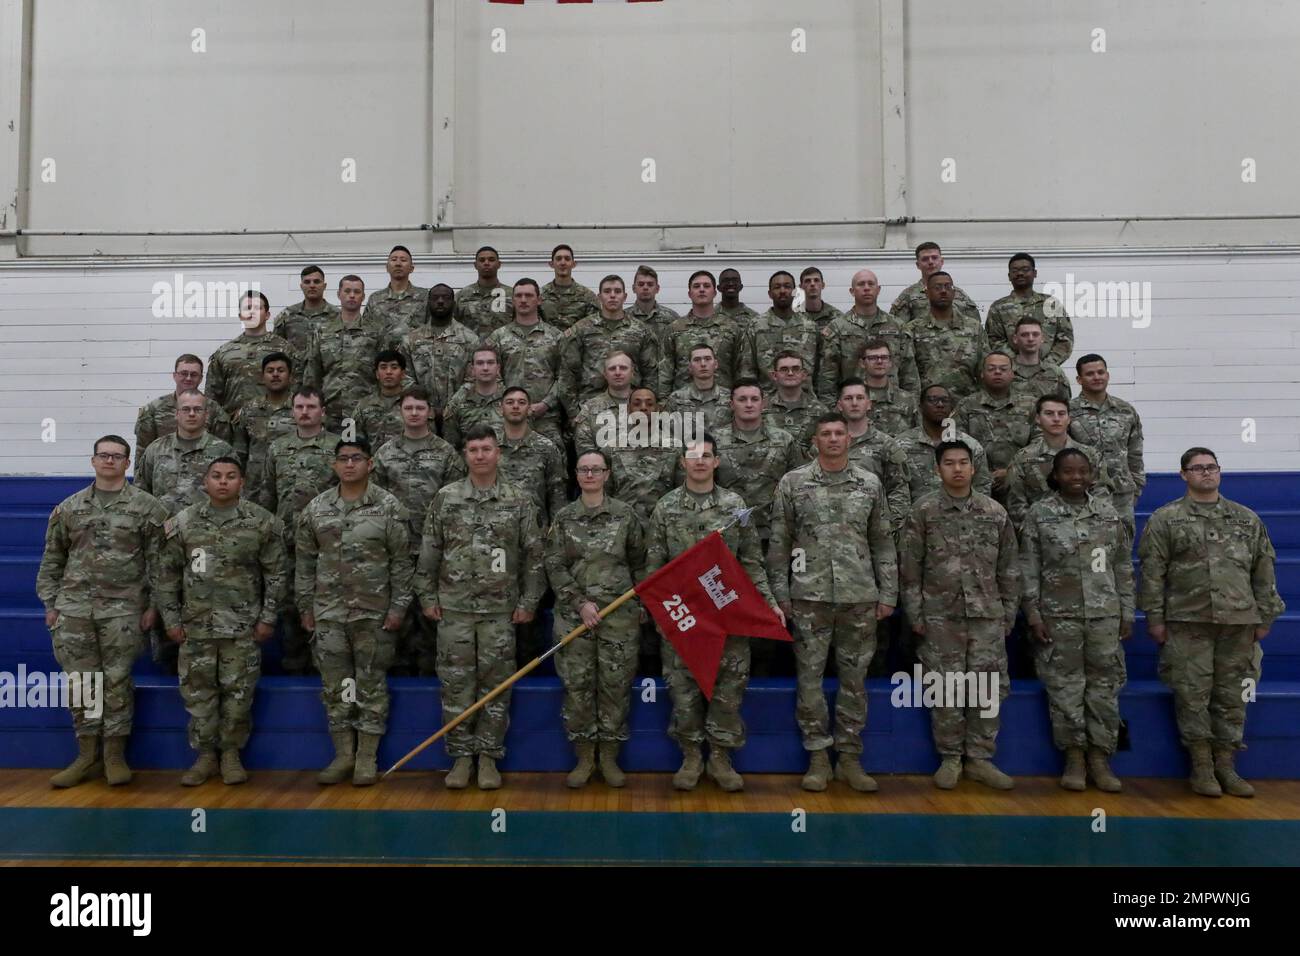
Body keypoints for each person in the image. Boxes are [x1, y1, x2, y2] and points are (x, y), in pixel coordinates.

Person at [1138, 447, 1286, 798]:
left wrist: (1265, 616)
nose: (1206, 473)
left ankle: (1226, 764)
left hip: (1238, 623)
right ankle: (1202, 767)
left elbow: (1263, 569)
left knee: (1232, 697)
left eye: (1212, 467)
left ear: (1220, 472)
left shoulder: (1246, 518)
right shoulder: (1165, 519)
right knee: (1192, 695)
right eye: (1198, 468)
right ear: (1183, 475)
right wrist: (1155, 619)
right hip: (1187, 622)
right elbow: (1153, 573)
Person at [645, 435, 786, 792]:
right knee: (683, 689)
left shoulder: (735, 506)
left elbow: (751, 560)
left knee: (729, 689)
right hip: (683, 616)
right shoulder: (666, 507)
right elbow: (654, 566)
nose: (700, 461)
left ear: (717, 462)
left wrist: (768, 602)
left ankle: (721, 756)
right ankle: (691, 755)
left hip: (727, 612)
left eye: (706, 455)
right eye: (693, 456)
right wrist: (661, 612)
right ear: (682, 462)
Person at [769, 413, 897, 792]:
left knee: (854, 681)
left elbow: (883, 542)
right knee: (809, 680)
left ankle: (851, 757)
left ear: (849, 440)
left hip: (859, 596)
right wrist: (781, 593)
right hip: (809, 597)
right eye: (825, 433)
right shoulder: (793, 483)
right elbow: (779, 543)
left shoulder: (870, 484)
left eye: (839, 433)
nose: (833, 439)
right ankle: (818, 757)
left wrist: (888, 592)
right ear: (814, 440)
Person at [415, 426, 546, 790]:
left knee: (495, 686)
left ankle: (488, 756)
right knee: (456, 685)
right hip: (454, 608)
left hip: (500, 611)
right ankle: (459, 757)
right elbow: (430, 551)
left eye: (486, 448)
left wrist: (529, 601)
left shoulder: (518, 499)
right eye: (472, 449)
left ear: (498, 453)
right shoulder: (446, 498)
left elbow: (533, 556)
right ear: (464, 455)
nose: (480, 455)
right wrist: (426, 597)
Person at [36, 436, 168, 788]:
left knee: (117, 681)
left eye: (117, 456)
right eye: (103, 455)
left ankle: (114, 755)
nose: (109, 461)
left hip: (123, 611)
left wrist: (154, 605)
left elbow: (160, 564)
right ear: (93, 461)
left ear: (128, 463)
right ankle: (86, 754)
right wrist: (51, 604)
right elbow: (52, 559)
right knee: (82, 683)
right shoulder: (69, 508)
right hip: (74, 610)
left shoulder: (148, 508)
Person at [157, 457, 286, 787]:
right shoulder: (183, 523)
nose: (223, 482)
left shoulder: (261, 523)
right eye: (216, 476)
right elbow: (167, 575)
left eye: (231, 476)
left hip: (242, 627)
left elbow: (276, 574)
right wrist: (171, 619)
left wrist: (268, 618)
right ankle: (204, 756)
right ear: (205, 482)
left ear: (242, 482)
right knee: (199, 695)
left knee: (238, 693)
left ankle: (230, 754)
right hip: (195, 627)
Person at [900, 441, 1019, 790]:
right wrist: (916, 614)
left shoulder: (995, 512)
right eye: (949, 463)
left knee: (986, 690)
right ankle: (951, 757)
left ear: (973, 468)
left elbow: (1009, 568)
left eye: (963, 462)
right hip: (940, 616)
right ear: (938, 469)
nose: (957, 469)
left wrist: (1008, 613)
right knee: (946, 687)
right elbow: (910, 569)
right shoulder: (923, 511)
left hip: (986, 615)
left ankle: (981, 758)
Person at [297, 439, 413, 787]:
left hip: (373, 613)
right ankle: (344, 754)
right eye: (343, 459)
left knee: (371, 685)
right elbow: (304, 563)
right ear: (333, 465)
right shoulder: (316, 509)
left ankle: (366, 757)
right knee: (338, 687)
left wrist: (398, 607)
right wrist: (305, 606)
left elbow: (402, 563)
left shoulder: (388, 506)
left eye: (356, 458)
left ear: (370, 463)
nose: (350, 464)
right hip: (329, 612)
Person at [1019, 449, 1133, 793]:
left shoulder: (1108, 514)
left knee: (1104, 688)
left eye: (1083, 471)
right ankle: (1074, 757)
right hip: (1059, 616)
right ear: (1055, 475)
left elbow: (1123, 567)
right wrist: (1034, 613)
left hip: (1104, 615)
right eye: (1068, 472)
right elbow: (1029, 569)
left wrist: (1127, 611)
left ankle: (1100, 757)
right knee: (1065, 688)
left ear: (1092, 474)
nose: (1076, 477)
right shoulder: (1040, 515)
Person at [546, 449, 646, 788]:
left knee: (615, 688)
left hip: (618, 616)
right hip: (575, 616)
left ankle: (609, 757)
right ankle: (585, 756)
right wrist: (579, 602)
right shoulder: (564, 517)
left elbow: (639, 561)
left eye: (596, 469)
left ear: (607, 474)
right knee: (577, 687)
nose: (590, 475)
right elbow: (554, 565)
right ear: (576, 475)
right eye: (584, 469)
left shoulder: (625, 515)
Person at [371, 387, 465, 676]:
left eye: (420, 408)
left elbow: (455, 499)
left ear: (429, 412)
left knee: (430, 614)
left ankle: (428, 671)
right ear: (400, 412)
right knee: (395, 611)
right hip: (396, 545)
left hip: (432, 546)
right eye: (409, 408)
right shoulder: (385, 453)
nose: (414, 413)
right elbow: (374, 498)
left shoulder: (445, 452)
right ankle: (398, 670)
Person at [259, 387, 340, 674]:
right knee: (289, 603)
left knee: (326, 601)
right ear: (292, 411)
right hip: (286, 541)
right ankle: (294, 662)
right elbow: (267, 494)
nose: (305, 412)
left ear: (323, 412)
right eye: (300, 407)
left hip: (327, 544)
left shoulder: (337, 448)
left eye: (311, 406)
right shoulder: (277, 448)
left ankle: (325, 664)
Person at [1004, 395, 1111, 532]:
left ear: (1069, 418)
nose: (1056, 419)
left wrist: (1084, 528)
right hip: (1041, 534)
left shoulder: (1090, 455)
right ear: (1038, 418)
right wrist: (1040, 529)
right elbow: (1016, 503)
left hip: (1085, 533)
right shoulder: (1023, 458)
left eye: (1061, 414)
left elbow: (1101, 496)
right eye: (1049, 413)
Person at [1069, 353, 1145, 540]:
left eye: (1101, 372)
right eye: (1090, 374)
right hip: (1085, 494)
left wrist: (1136, 487)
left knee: (1122, 548)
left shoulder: (1125, 410)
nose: (1097, 377)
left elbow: (1135, 452)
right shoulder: (1069, 411)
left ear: (1108, 375)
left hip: (1121, 494)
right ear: (1079, 379)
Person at [560, 274, 660, 415]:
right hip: (589, 405)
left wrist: (645, 407)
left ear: (625, 297)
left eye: (617, 291)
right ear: (599, 297)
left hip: (630, 406)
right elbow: (567, 374)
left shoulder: (641, 331)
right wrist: (574, 413)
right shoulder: (582, 329)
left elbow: (651, 375)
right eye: (607, 291)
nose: (612, 296)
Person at [485, 278, 565, 447]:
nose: (523, 300)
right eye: (519, 296)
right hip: (507, 419)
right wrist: (509, 403)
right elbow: (491, 376)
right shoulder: (498, 337)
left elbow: (564, 377)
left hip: (546, 418)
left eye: (528, 295)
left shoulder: (556, 337)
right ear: (513, 300)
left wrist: (545, 404)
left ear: (539, 299)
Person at [817, 269, 919, 398]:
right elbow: (828, 376)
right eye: (861, 284)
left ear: (878, 289)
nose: (866, 288)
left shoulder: (898, 327)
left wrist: (911, 405)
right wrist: (833, 411)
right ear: (852, 291)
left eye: (871, 284)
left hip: (893, 407)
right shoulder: (837, 328)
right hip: (853, 405)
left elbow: (909, 372)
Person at [136, 390, 237, 517]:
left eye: (198, 409)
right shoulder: (156, 449)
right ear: (177, 414)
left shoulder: (223, 451)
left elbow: (234, 496)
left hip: (206, 530)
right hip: (162, 531)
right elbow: (141, 493)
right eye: (185, 409)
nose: (191, 414)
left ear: (206, 415)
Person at [305, 274, 385, 432]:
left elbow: (384, 371)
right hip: (330, 410)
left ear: (363, 296)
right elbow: (312, 372)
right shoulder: (322, 331)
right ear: (339, 294)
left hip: (367, 410)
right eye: (347, 291)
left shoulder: (376, 330)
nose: (352, 295)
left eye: (357, 292)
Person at [832, 378, 912, 534]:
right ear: (839, 405)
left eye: (860, 398)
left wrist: (887, 528)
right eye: (848, 398)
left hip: (873, 529)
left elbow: (899, 491)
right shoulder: (828, 442)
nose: (854, 403)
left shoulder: (886, 445)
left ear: (869, 403)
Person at [955, 351, 1036, 504]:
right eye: (991, 369)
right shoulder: (966, 405)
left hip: (1022, 484)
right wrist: (984, 474)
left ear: (1012, 374)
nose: (997, 372)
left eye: (1003, 369)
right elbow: (955, 443)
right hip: (975, 484)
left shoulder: (1030, 405)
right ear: (982, 374)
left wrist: (1012, 471)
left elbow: (1040, 442)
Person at [399, 283, 480, 434]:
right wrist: (425, 406)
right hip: (421, 416)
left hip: (461, 415)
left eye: (446, 298)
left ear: (454, 303)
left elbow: (473, 379)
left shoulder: (469, 339)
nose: (441, 301)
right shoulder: (411, 340)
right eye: (435, 298)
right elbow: (405, 376)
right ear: (428, 302)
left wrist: (450, 408)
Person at [206, 291, 293, 418]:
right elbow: (211, 397)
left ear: (267, 315)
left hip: (273, 425)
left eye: (257, 308)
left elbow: (297, 389)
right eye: (247, 308)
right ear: (240, 315)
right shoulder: (225, 352)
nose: (252, 312)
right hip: (233, 428)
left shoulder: (285, 349)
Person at [896, 385, 992, 501]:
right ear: (921, 407)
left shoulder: (971, 446)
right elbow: (896, 491)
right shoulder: (901, 445)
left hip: (962, 515)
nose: (940, 405)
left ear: (952, 408)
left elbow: (982, 489)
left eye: (945, 401)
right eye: (932, 400)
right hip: (917, 516)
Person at [662, 270, 747, 393]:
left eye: (706, 286)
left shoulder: (731, 328)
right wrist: (664, 401)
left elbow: (741, 367)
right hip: (683, 403)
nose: (701, 289)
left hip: (723, 403)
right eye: (696, 286)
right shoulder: (675, 329)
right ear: (689, 294)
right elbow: (665, 369)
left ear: (714, 292)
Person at [909, 271, 988, 399]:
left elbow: (984, 369)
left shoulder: (974, 328)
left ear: (954, 292)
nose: (943, 291)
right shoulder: (913, 329)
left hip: (966, 403)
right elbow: (908, 373)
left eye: (948, 287)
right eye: (937, 287)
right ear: (927, 293)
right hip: (927, 404)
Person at [984, 253, 1074, 365]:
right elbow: (994, 340)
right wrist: (1017, 363)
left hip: (1047, 373)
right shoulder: (998, 307)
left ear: (1035, 273)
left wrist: (1046, 364)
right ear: (1009, 276)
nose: (1020, 273)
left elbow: (1065, 339)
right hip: (1013, 374)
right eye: (1015, 270)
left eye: (1025, 269)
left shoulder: (1051, 304)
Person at [134, 354, 233, 454]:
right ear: (175, 376)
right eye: (184, 373)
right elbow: (142, 451)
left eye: (194, 374)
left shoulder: (214, 410)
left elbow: (224, 450)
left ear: (201, 378)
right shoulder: (153, 409)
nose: (189, 378)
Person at [231, 352, 295, 505]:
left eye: (280, 370)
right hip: (255, 488)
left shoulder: (301, 408)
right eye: (270, 371)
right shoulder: (249, 409)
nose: (275, 375)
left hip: (290, 486)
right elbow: (240, 451)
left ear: (291, 376)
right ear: (262, 377)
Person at [740, 271, 820, 392]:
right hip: (768, 403)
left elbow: (822, 370)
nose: (782, 291)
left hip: (806, 403)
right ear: (770, 293)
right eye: (777, 287)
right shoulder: (756, 326)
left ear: (795, 292)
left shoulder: (810, 327)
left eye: (787, 286)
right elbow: (747, 369)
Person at [274, 265, 340, 385]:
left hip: (327, 383)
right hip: (294, 383)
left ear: (324, 286)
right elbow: (276, 351)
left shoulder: (337, 316)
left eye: (316, 281)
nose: (312, 285)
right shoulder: (287, 316)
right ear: (301, 286)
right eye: (307, 282)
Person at [889, 242, 980, 324]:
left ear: (941, 261)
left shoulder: (960, 295)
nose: (930, 262)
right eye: (925, 259)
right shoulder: (908, 296)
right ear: (918, 265)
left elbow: (975, 326)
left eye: (934, 258)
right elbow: (898, 328)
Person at [362, 245, 429, 348]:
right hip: (384, 360)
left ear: (412, 268)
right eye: (394, 260)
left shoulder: (424, 297)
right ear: (387, 267)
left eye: (403, 260)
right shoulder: (375, 299)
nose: (398, 264)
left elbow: (432, 330)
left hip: (415, 360)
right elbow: (366, 334)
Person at [571, 350, 636, 454]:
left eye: (623, 368)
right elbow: (586, 453)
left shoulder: (648, 405)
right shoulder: (589, 409)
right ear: (605, 374)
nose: (618, 372)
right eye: (612, 369)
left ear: (632, 372)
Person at [443, 346, 506, 450]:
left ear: (498, 368)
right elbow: (451, 446)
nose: (485, 368)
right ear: (472, 369)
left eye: (490, 363)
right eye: (480, 363)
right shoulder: (458, 402)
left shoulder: (510, 400)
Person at [348, 349, 409, 451]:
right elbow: (352, 443)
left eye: (394, 367)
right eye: (383, 367)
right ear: (377, 374)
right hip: (373, 464)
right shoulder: (363, 406)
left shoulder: (414, 405)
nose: (388, 372)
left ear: (403, 374)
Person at [663, 343, 732, 432]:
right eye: (697, 360)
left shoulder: (729, 397)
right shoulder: (676, 399)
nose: (703, 364)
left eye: (707, 359)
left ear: (715, 364)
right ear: (690, 367)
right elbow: (667, 434)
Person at [856, 339, 918, 437]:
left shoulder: (907, 399)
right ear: (862, 363)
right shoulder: (853, 398)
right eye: (873, 358)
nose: (879, 361)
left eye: (884, 357)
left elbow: (918, 434)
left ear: (890, 362)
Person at [455, 245, 514, 339]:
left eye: (491, 260)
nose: (486, 263)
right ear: (475, 265)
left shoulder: (512, 295)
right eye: (482, 260)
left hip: (503, 350)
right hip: (471, 350)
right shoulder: (461, 296)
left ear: (499, 264)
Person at [763, 351, 820, 446]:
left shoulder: (819, 410)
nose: (790, 373)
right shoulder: (761, 408)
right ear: (774, 375)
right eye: (784, 369)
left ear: (804, 374)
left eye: (796, 369)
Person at [1008, 316, 1072, 402]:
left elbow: (1065, 406)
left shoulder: (1055, 373)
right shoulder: (1005, 370)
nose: (1030, 339)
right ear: (1015, 339)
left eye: (1035, 334)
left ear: (1042, 338)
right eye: (1024, 335)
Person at [539, 243, 599, 332]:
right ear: (551, 264)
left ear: (573, 264)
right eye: (558, 259)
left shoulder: (588, 296)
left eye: (567, 259)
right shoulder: (540, 295)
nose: (563, 263)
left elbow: (595, 327)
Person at [626, 264, 681, 342]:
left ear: (657, 289)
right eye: (641, 284)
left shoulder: (671, 318)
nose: (645, 287)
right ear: (634, 288)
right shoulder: (624, 317)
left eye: (650, 284)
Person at [798, 266, 843, 330]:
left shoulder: (837, 317)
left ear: (823, 285)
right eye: (807, 281)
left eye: (816, 280)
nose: (812, 284)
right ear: (801, 287)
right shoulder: (793, 316)